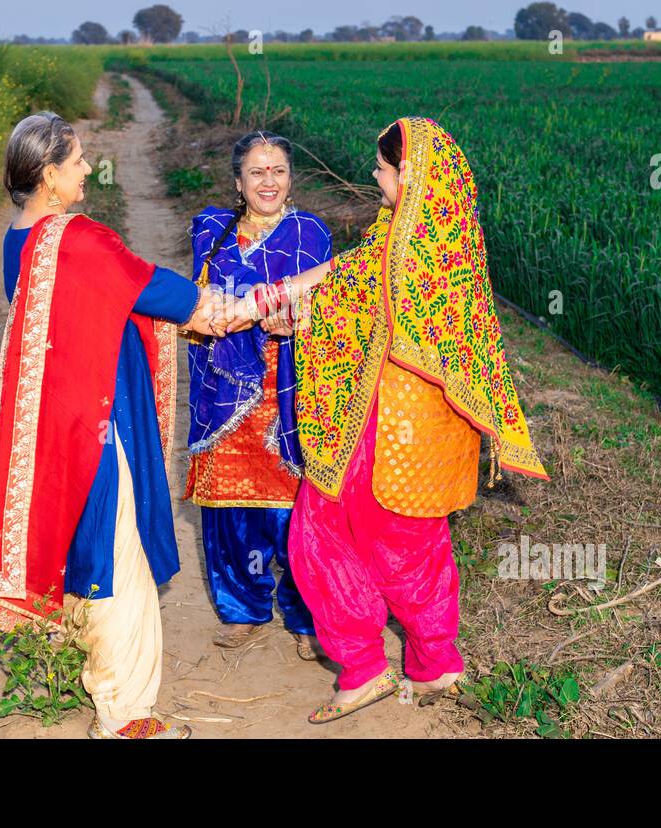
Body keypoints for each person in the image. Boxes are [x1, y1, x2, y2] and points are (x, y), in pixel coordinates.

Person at [225, 116, 550, 723]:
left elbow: (346, 294)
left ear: (412, 174)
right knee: (413, 542)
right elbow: (340, 284)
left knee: (324, 534)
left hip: (384, 424)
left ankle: (365, 667)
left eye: (383, 167)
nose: (375, 176)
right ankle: (434, 662)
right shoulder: (435, 236)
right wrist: (271, 305)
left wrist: (272, 310)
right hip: (416, 428)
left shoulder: (409, 252)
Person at [0, 112, 221, 740]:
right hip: (96, 421)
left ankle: (102, 684)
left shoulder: (19, 236)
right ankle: (125, 717)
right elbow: (150, 287)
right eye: (78, 161)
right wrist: (230, 307)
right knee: (115, 555)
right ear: (48, 175)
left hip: (55, 421)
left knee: (87, 542)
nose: (89, 169)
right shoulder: (74, 238)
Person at [184, 131, 332, 659]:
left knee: (294, 508)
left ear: (290, 178)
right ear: (238, 182)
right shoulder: (212, 230)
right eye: (257, 172)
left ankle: (303, 613)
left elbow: (331, 309)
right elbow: (198, 300)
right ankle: (242, 608)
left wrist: (297, 319)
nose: (269, 182)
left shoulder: (310, 234)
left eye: (278, 171)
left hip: (287, 387)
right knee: (229, 503)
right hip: (224, 390)